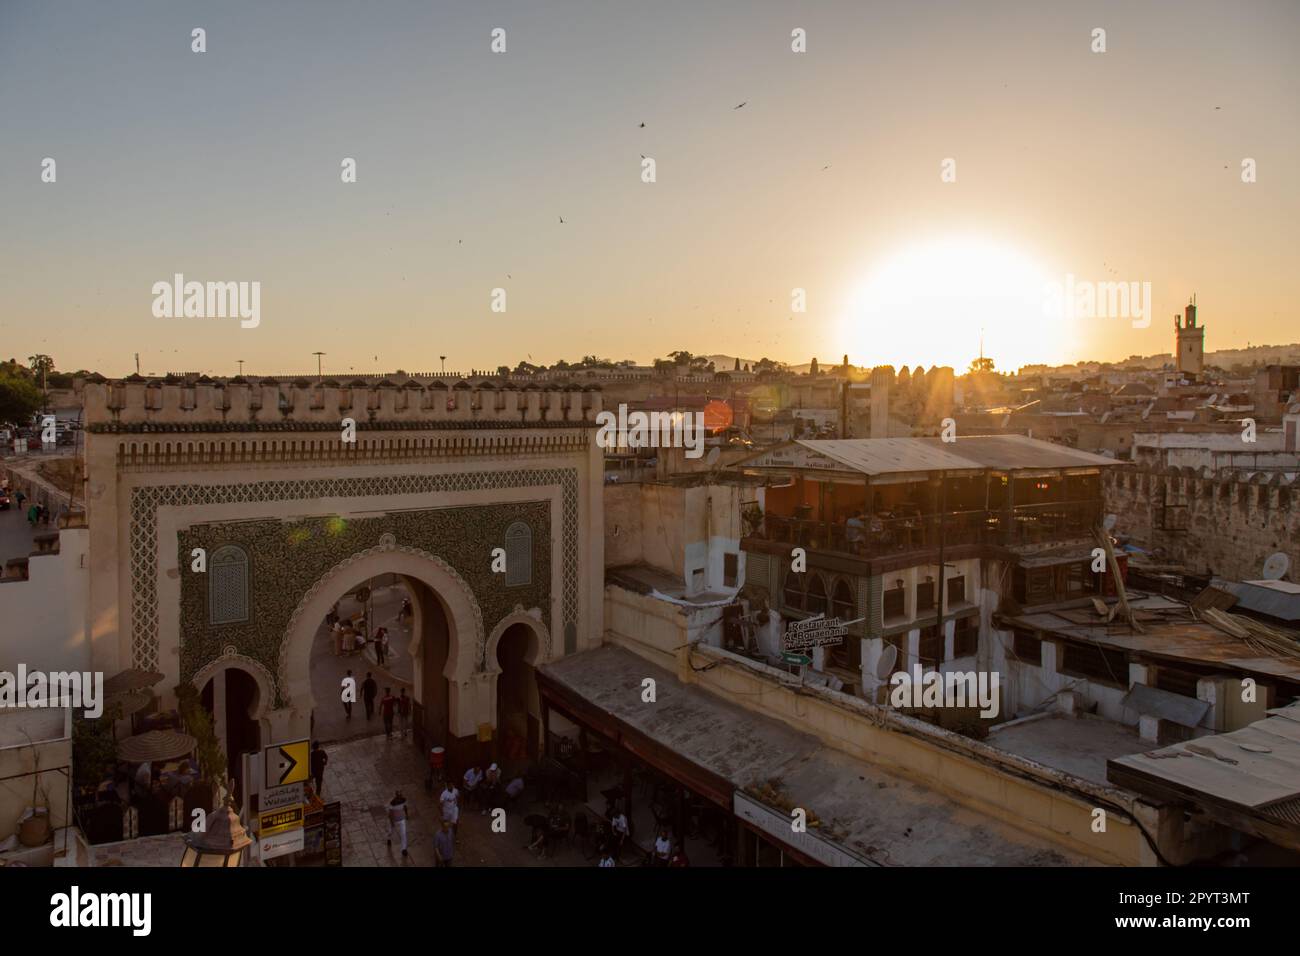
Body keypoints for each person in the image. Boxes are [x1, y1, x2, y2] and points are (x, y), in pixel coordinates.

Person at [387, 790, 408, 856]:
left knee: (403, 834)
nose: (400, 797)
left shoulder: (404, 800)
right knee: (391, 831)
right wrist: (392, 822)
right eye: (398, 796)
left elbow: (405, 806)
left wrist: (407, 814)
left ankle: (403, 849)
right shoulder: (392, 803)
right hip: (394, 820)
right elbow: (390, 813)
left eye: (400, 795)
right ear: (396, 796)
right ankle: (388, 838)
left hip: (402, 819)